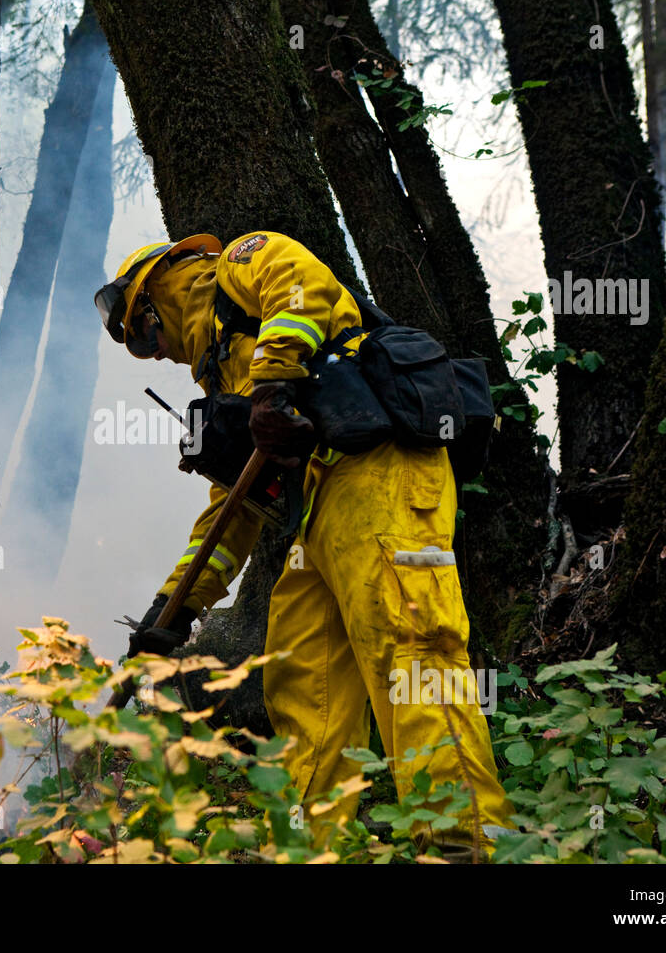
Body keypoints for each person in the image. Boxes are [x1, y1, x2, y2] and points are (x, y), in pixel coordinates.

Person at [95, 230, 515, 857]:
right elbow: (231, 511)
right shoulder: (227, 378)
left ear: (159, 296)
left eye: (146, 337)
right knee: (301, 677)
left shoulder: (239, 266)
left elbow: (303, 283)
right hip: (319, 514)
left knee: (411, 649)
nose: (154, 355)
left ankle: (465, 842)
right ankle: (317, 847)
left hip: (381, 470)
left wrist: (269, 388)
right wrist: (172, 611)